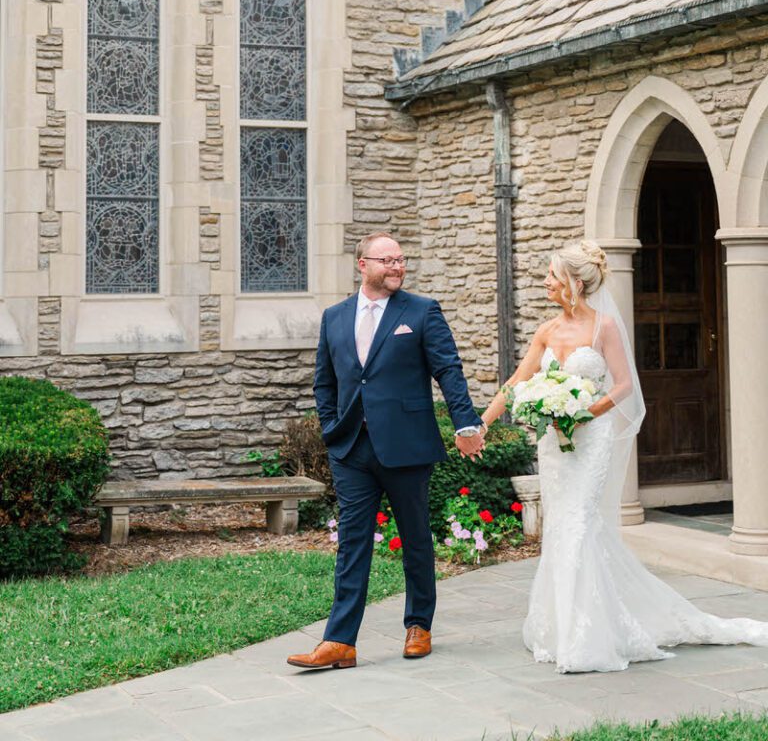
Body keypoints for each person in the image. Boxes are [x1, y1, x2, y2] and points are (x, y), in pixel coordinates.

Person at [481, 239, 768, 673]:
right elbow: (518, 380)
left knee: (577, 525)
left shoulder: (603, 329)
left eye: (552, 276)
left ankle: (587, 638)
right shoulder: (546, 330)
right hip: (555, 446)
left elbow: (623, 386)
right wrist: (480, 424)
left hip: (589, 438)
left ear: (574, 283)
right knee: (562, 530)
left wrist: (583, 411)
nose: (545, 282)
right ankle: (565, 627)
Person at [287, 232, 485, 671]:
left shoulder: (421, 311)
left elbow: (447, 369)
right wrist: (331, 428)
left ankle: (419, 625)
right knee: (352, 544)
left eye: (401, 259)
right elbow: (326, 381)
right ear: (362, 264)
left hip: (407, 445)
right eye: (387, 260)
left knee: (415, 538)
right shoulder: (334, 317)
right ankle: (340, 641)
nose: (397, 267)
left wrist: (466, 422)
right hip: (352, 448)